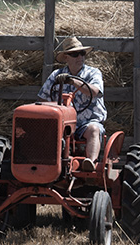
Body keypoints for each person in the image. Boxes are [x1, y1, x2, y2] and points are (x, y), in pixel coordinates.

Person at [38, 36, 106, 171]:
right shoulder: (56, 75)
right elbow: (43, 99)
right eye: (75, 54)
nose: (80, 57)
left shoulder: (93, 73)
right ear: (66, 58)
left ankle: (90, 163)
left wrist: (73, 81)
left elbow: (94, 91)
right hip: (62, 123)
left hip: (86, 122)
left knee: (94, 129)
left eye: (82, 53)